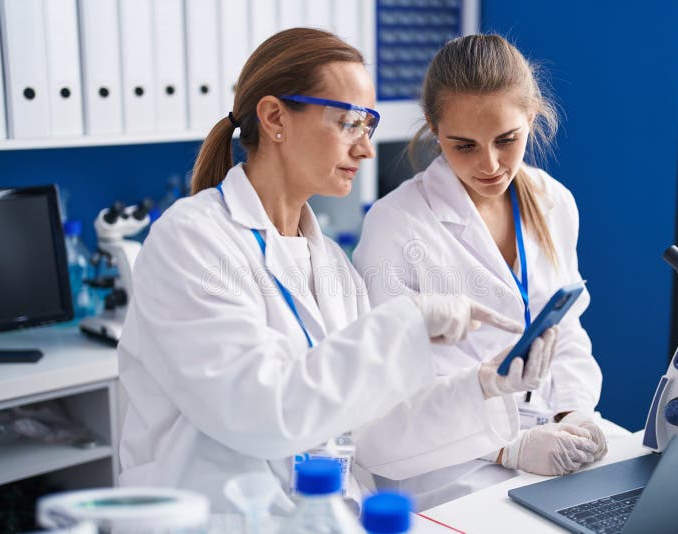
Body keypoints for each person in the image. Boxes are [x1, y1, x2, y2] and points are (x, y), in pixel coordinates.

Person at [116, 28, 557, 514]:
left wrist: (482, 386)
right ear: (275, 117)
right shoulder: (193, 239)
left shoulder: (332, 269)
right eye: (349, 123)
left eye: (369, 127)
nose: (366, 149)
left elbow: (372, 435)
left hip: (320, 518)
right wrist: (405, 322)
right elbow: (261, 411)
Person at [353, 34, 611, 510]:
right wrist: (505, 447)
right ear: (434, 129)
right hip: (445, 463)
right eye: (463, 145)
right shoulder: (395, 224)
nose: (490, 165)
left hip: (549, 436)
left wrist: (574, 411)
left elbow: (567, 327)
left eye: (507, 140)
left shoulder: (555, 201)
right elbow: (384, 387)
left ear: (531, 118)